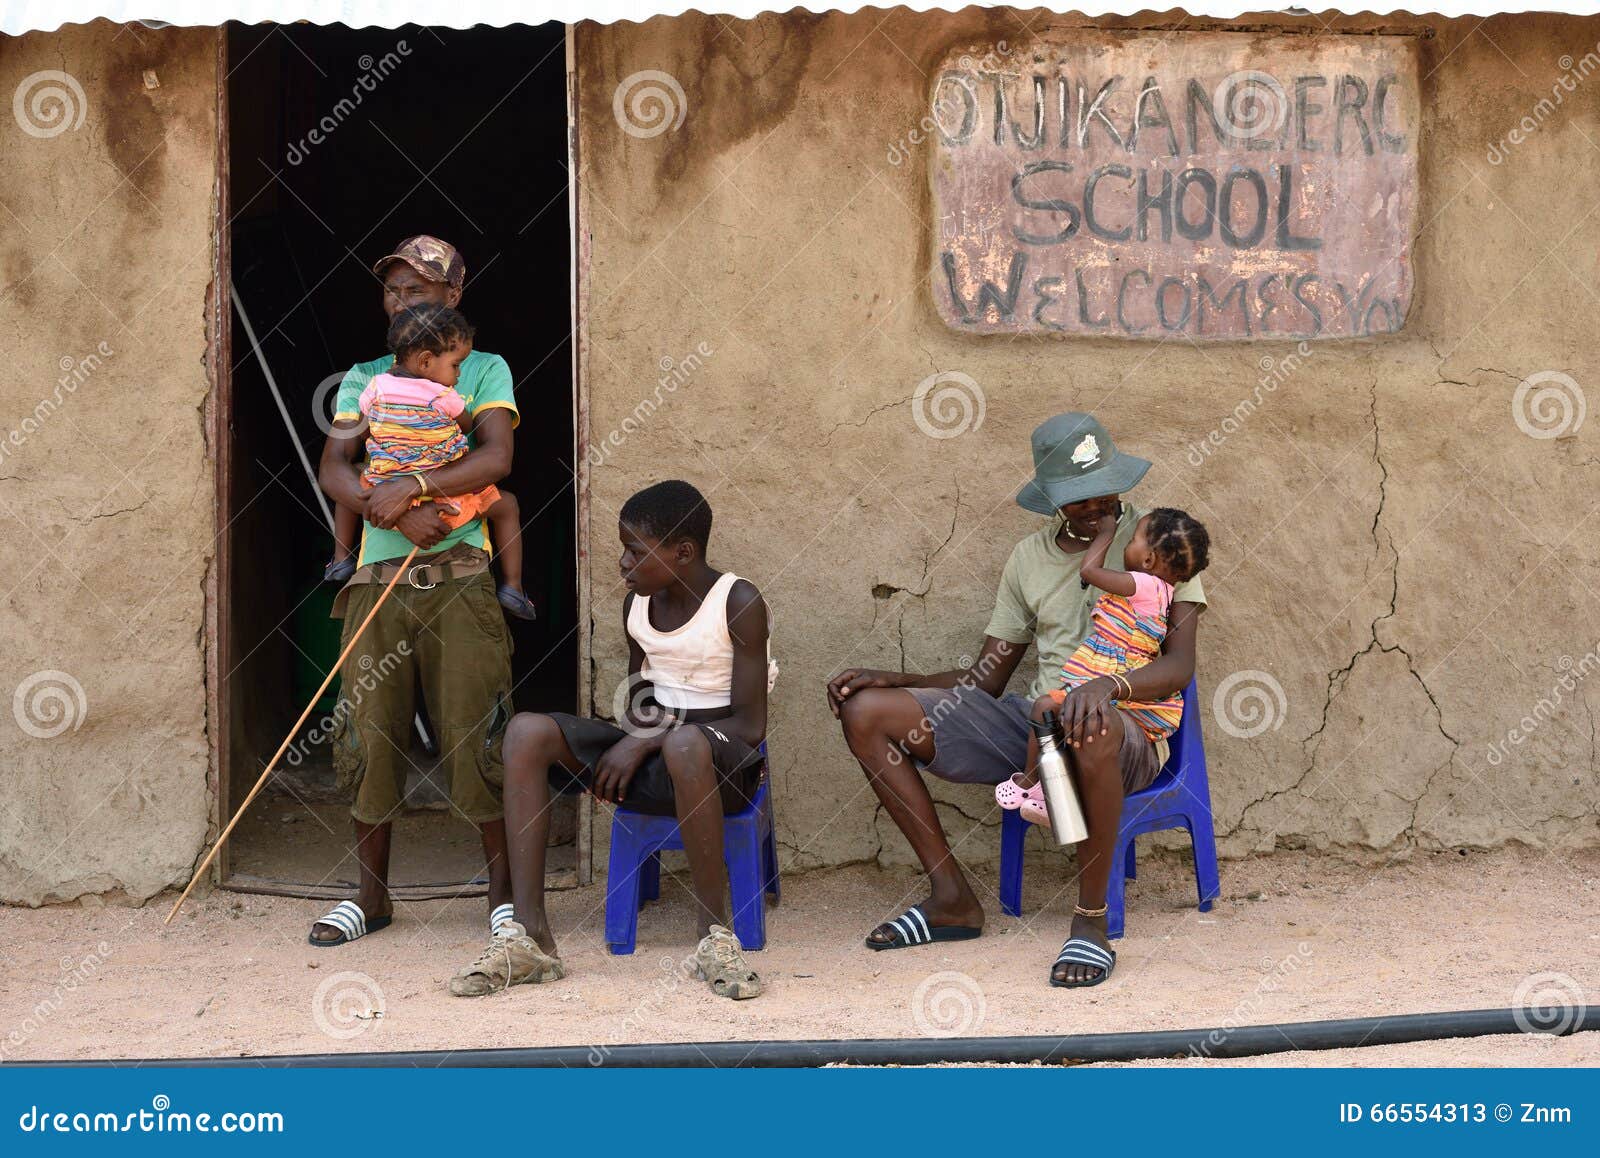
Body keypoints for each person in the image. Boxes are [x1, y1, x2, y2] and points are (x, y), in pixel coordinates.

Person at [827, 412, 1208, 988]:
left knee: (1090, 722)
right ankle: (952, 899)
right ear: (1050, 497)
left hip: (1122, 727)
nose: (1091, 503)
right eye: (1074, 496)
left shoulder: (1157, 542)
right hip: (1039, 719)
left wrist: (1107, 688)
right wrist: (896, 678)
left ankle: (1091, 922)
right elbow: (988, 677)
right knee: (867, 712)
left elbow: (1179, 664)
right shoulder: (1028, 559)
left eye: (1100, 488)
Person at [449, 480, 778, 1000]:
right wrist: (639, 734)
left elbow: (750, 723)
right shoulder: (637, 606)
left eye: (635, 551)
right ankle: (530, 938)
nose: (623, 562)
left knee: (684, 744)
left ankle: (715, 938)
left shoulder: (737, 601)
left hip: (721, 769)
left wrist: (651, 737)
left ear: (683, 552)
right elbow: (638, 700)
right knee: (527, 731)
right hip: (659, 758)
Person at [309, 235, 521, 947]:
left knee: (477, 732)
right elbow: (335, 465)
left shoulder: (481, 366)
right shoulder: (363, 378)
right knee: (368, 732)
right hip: (378, 582)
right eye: (394, 290)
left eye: (419, 290)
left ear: (453, 298)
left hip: (459, 578)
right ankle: (370, 898)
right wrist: (385, 503)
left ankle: (503, 897)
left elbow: (496, 453)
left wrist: (421, 484)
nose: (402, 301)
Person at [998, 506, 1209, 828]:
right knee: (1044, 708)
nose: (1128, 544)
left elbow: (1090, 571)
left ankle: (1050, 795)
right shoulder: (1158, 591)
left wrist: (1106, 533)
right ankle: (1038, 787)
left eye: (1134, 539)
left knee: (1062, 716)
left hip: (1110, 686)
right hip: (1105, 680)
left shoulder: (1143, 585)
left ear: (1149, 560)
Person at [324, 303, 536, 620]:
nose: (458, 374)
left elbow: (362, 429)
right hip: (446, 497)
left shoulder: (374, 385)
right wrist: (405, 512)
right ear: (426, 360)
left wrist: (401, 480)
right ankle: (514, 587)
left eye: (415, 289)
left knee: (356, 475)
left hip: (390, 488)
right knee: (507, 505)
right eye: (455, 366)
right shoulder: (442, 393)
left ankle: (340, 558)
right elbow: (468, 428)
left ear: (452, 294)